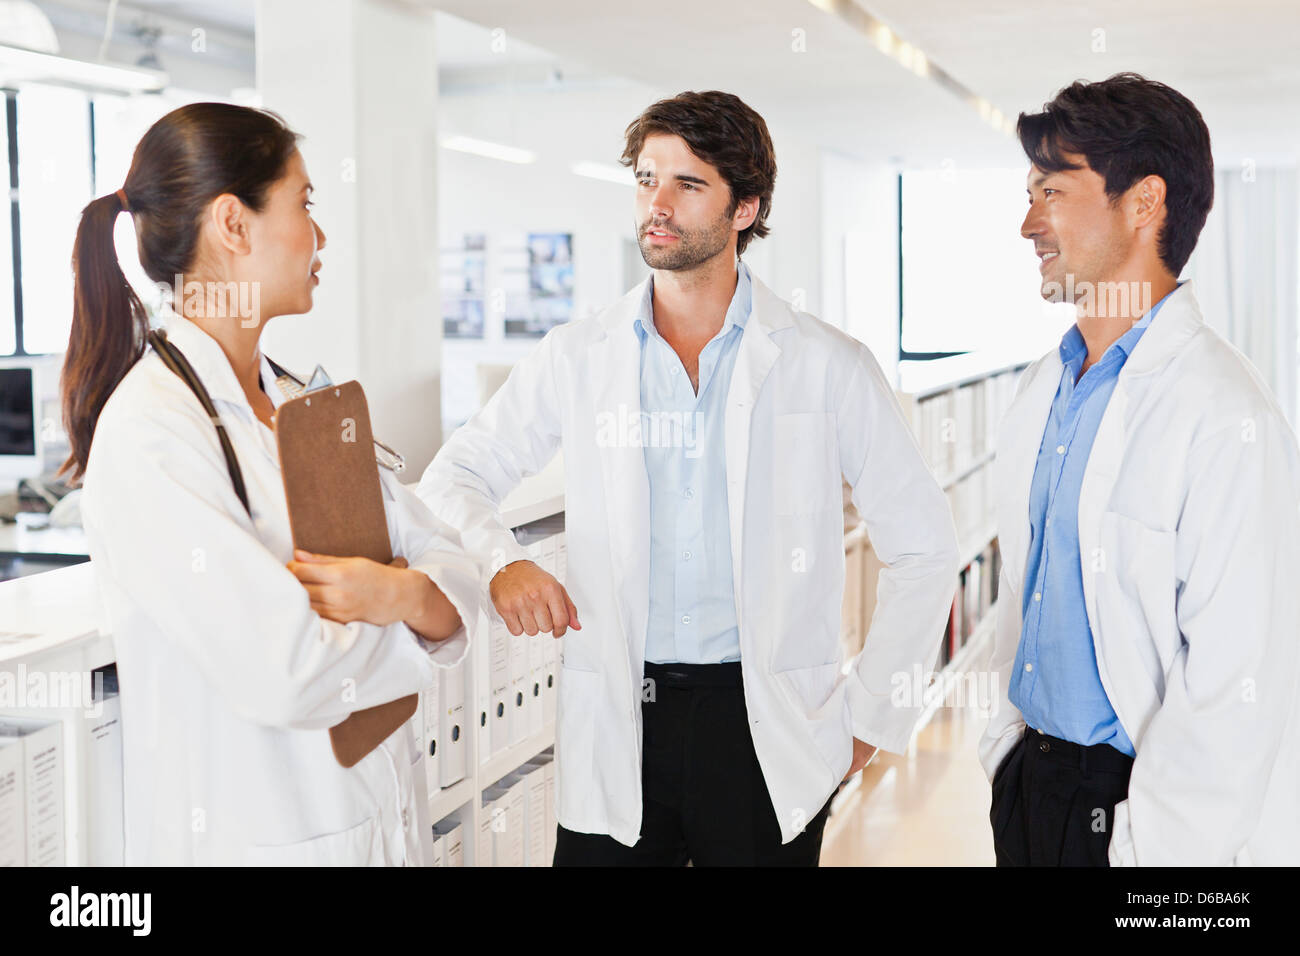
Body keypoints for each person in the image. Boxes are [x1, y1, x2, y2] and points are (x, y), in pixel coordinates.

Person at [419, 90, 959, 866]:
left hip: (763, 721)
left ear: (746, 208)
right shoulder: (580, 354)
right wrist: (501, 559)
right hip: (618, 714)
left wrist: (870, 720)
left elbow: (925, 546)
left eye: (687, 184)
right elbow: (456, 474)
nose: (657, 204)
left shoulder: (826, 363)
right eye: (646, 179)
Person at [64, 102, 480, 865]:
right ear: (233, 223)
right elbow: (287, 671)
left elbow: (446, 566)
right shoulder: (153, 432)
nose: (320, 236)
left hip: (377, 824)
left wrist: (406, 595)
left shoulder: (298, 403)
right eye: (305, 202)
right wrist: (419, 609)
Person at [982, 73, 1300, 866]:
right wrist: (1005, 758)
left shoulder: (1227, 414)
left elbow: (1235, 683)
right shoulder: (1042, 391)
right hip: (1028, 788)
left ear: (1143, 203)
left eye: (1052, 192)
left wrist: (1146, 854)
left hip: (1134, 817)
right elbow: (1025, 593)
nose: (1028, 223)